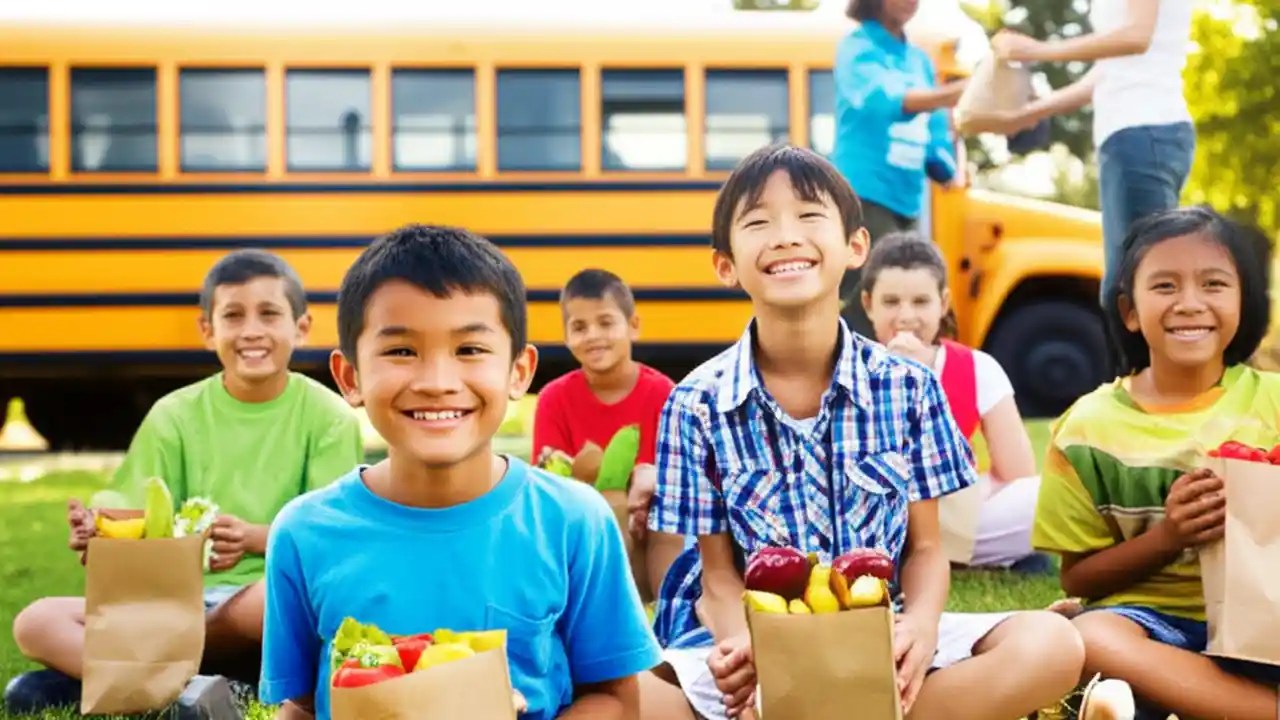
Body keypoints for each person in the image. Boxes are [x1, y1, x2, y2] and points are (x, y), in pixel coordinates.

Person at [637, 143, 1088, 720]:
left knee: (1050, 645)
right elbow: (718, 577)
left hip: (883, 635)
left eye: (808, 216)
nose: (785, 236)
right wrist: (745, 652)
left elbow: (926, 550)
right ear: (726, 264)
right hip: (751, 641)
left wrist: (921, 628)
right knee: (625, 697)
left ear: (855, 246)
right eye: (758, 223)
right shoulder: (695, 403)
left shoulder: (907, 388)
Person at [257, 224, 662, 720]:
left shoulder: (573, 521)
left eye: (470, 350)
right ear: (350, 377)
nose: (437, 382)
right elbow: (300, 706)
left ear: (518, 371)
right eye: (401, 351)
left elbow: (613, 697)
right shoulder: (304, 533)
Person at [4, 249, 363, 718]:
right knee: (37, 622)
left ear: (301, 327)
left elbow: (329, 538)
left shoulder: (328, 416)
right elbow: (134, 514)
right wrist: (100, 531)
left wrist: (257, 538)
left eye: (269, 314)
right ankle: (197, 690)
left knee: (264, 604)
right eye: (233, 316)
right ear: (207, 331)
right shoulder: (174, 414)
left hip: (260, 609)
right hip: (175, 608)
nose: (251, 330)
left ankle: (130, 680)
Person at [1033, 206, 1280, 720]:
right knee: (1089, 634)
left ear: (1243, 300)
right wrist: (1169, 536)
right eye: (1165, 286)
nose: (1190, 304)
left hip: (1266, 627)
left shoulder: (1273, 402)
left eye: (1213, 284)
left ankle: (1156, 702)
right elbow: (1080, 579)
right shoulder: (1087, 428)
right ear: (1128, 310)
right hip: (1149, 624)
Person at [858, 231, 1047, 572]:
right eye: (890, 302)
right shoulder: (848, 368)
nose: (905, 316)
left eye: (920, 302)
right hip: (871, 516)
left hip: (952, 511)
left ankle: (949, 551)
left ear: (943, 303)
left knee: (1045, 496)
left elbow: (1017, 472)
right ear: (868, 304)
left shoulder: (978, 368)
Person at [991, 0, 1196, 304]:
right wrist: (1029, 112)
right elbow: (1109, 73)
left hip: (1142, 132)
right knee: (1126, 288)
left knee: (1138, 286)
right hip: (1134, 135)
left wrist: (1037, 50)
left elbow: (1136, 37)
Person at [532, 268, 681, 597]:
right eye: (579, 327)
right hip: (583, 533)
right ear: (566, 336)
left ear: (633, 326)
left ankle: (668, 613)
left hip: (650, 534)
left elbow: (675, 482)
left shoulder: (664, 395)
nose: (593, 336)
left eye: (606, 322)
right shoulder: (554, 399)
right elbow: (548, 486)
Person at [830, 0, 967, 337]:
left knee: (907, 284)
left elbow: (933, 128)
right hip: (865, 191)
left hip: (907, 197)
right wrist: (954, 94)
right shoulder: (857, 47)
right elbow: (882, 99)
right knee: (880, 286)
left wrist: (947, 168)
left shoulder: (919, 59)